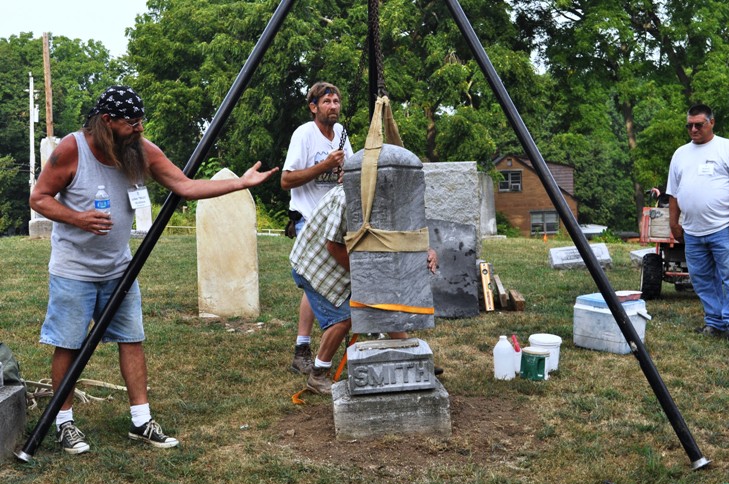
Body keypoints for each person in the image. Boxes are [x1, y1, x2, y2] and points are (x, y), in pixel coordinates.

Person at [30, 85, 278, 455]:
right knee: (68, 344)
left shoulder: (140, 151)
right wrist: (78, 218)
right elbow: (39, 198)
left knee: (132, 339)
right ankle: (63, 424)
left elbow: (184, 185)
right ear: (107, 121)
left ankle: (141, 420)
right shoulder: (71, 149)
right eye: (132, 122)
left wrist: (239, 183)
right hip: (73, 270)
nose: (139, 128)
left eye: (141, 120)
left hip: (120, 270)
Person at [289, 184, 438, 395]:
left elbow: (402, 232)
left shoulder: (385, 196)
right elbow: (333, 245)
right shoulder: (348, 199)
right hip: (315, 266)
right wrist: (364, 278)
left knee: (380, 302)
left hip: (344, 265)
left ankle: (412, 359)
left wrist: (426, 250)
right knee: (343, 318)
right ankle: (318, 375)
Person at [281, 82, 354, 375]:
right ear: (313, 107)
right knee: (315, 278)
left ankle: (331, 341)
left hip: (336, 219)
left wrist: (342, 172)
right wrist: (324, 165)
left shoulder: (342, 134)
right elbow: (286, 180)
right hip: (309, 218)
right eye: (327, 102)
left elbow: (348, 172)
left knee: (323, 279)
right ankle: (303, 349)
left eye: (336, 101)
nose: (333, 106)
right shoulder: (304, 134)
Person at [666, 103, 729, 343]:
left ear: (711, 123)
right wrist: (674, 223)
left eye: (698, 125)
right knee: (702, 279)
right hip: (693, 232)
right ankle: (715, 322)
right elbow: (673, 193)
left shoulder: (728, 148)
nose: (693, 129)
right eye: (689, 125)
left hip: (725, 229)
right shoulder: (680, 154)